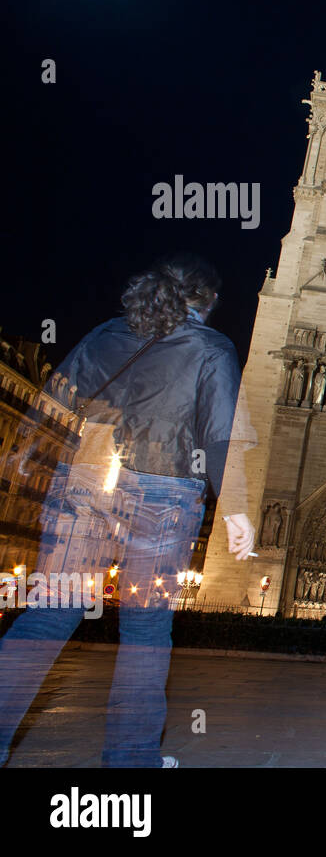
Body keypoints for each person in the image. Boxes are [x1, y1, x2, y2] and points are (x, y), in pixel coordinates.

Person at [0, 255, 256, 768]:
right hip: (164, 494)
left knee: (49, 614)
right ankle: (132, 757)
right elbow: (221, 435)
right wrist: (236, 509)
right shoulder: (211, 348)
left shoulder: (104, 335)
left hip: (87, 485)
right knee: (145, 631)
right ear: (205, 302)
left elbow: (55, 399)